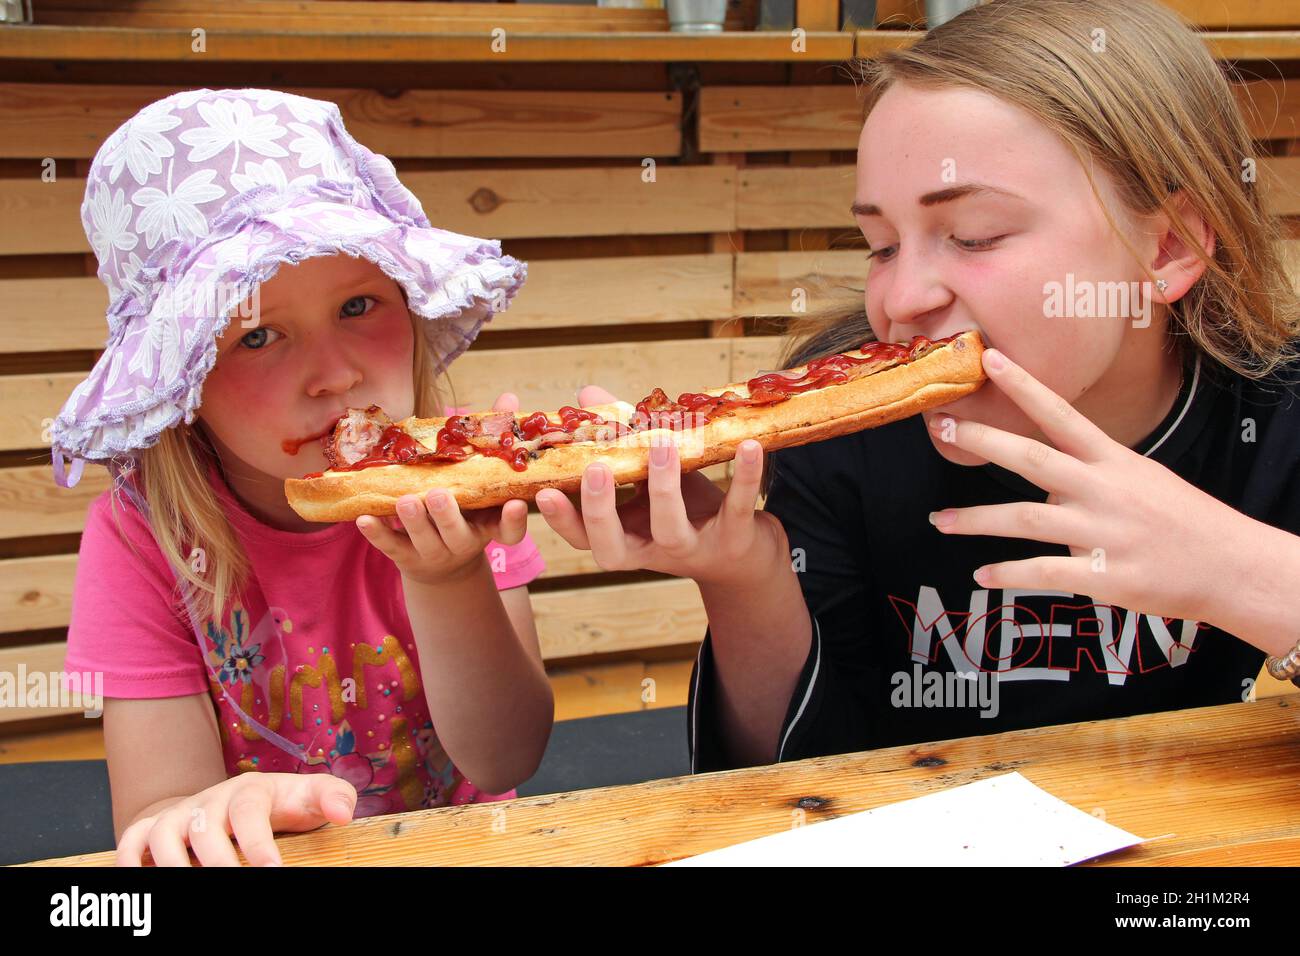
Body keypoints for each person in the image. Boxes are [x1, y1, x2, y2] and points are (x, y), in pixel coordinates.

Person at [537, 0, 1300, 773]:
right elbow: (782, 786)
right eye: (881, 246)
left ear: (1165, 247)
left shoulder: (1279, 417)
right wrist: (745, 579)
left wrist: (1245, 574)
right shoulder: (844, 441)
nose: (902, 302)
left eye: (973, 235)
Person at [52, 88, 552, 865]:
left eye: (359, 303)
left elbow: (506, 758)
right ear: (181, 386)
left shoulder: (463, 484)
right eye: (256, 335)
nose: (334, 375)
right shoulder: (141, 539)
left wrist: (450, 578)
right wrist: (206, 812)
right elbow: (155, 818)